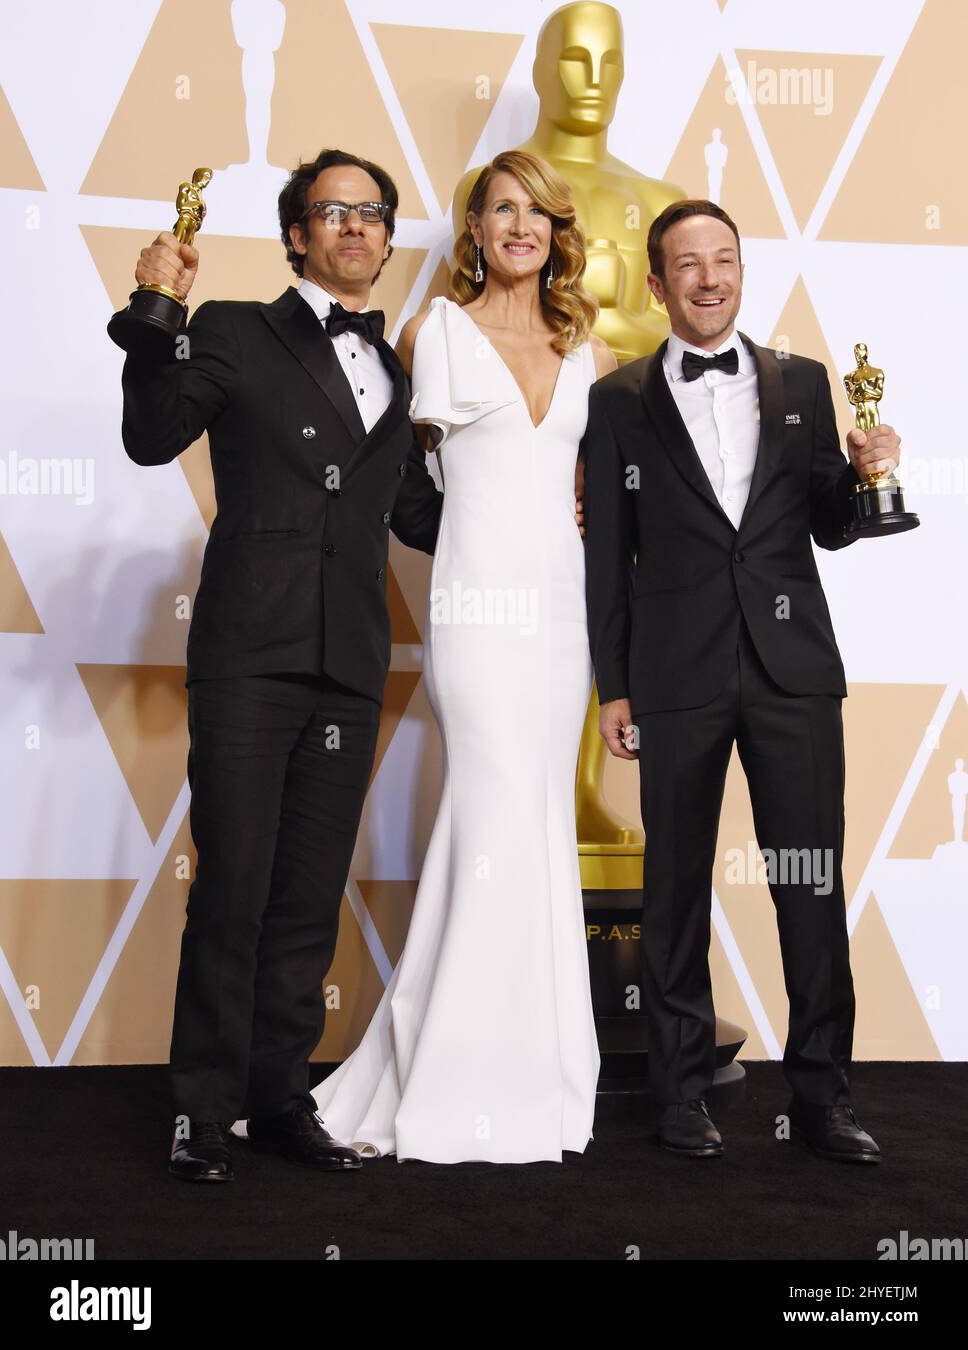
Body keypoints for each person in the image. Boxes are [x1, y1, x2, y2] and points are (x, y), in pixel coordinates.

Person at [112, 148, 443, 1181]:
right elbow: (149, 432)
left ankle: (279, 1097)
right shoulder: (236, 331)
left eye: (372, 212)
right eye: (331, 211)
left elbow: (413, 514)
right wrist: (156, 306)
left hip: (349, 661)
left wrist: (527, 487)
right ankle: (200, 1112)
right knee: (234, 889)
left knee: (307, 893)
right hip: (248, 656)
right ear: (297, 232)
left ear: (388, 238)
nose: (354, 226)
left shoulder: (398, 371)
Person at [296, 150, 616, 1163]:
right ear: (472, 230)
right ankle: (455, 1072)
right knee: (488, 809)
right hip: (476, 612)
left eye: (535, 211)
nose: (519, 225)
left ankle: (540, 1074)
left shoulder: (588, 347)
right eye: (499, 208)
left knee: (531, 824)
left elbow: (592, 489)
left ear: (554, 231)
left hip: (560, 618)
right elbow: (400, 485)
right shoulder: (433, 331)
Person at [583, 198, 901, 1163]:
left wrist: (866, 473)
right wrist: (613, 686)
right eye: (688, 264)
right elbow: (609, 557)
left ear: (741, 273)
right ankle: (681, 1095)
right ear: (658, 283)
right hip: (674, 674)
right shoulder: (618, 400)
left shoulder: (803, 383)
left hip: (791, 671)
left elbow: (831, 524)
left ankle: (822, 1099)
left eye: (724, 260)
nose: (709, 278)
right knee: (675, 890)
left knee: (808, 887)